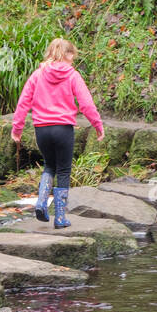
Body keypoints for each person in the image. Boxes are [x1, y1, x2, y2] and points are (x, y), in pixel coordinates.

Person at [10, 38, 104, 228]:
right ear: (67, 54)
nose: (73, 60)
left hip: (42, 129)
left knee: (48, 166)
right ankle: (60, 217)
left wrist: (17, 129)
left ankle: (41, 202)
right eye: (72, 56)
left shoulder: (37, 75)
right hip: (63, 128)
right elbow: (86, 104)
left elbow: (23, 103)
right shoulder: (72, 75)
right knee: (63, 170)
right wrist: (98, 125)